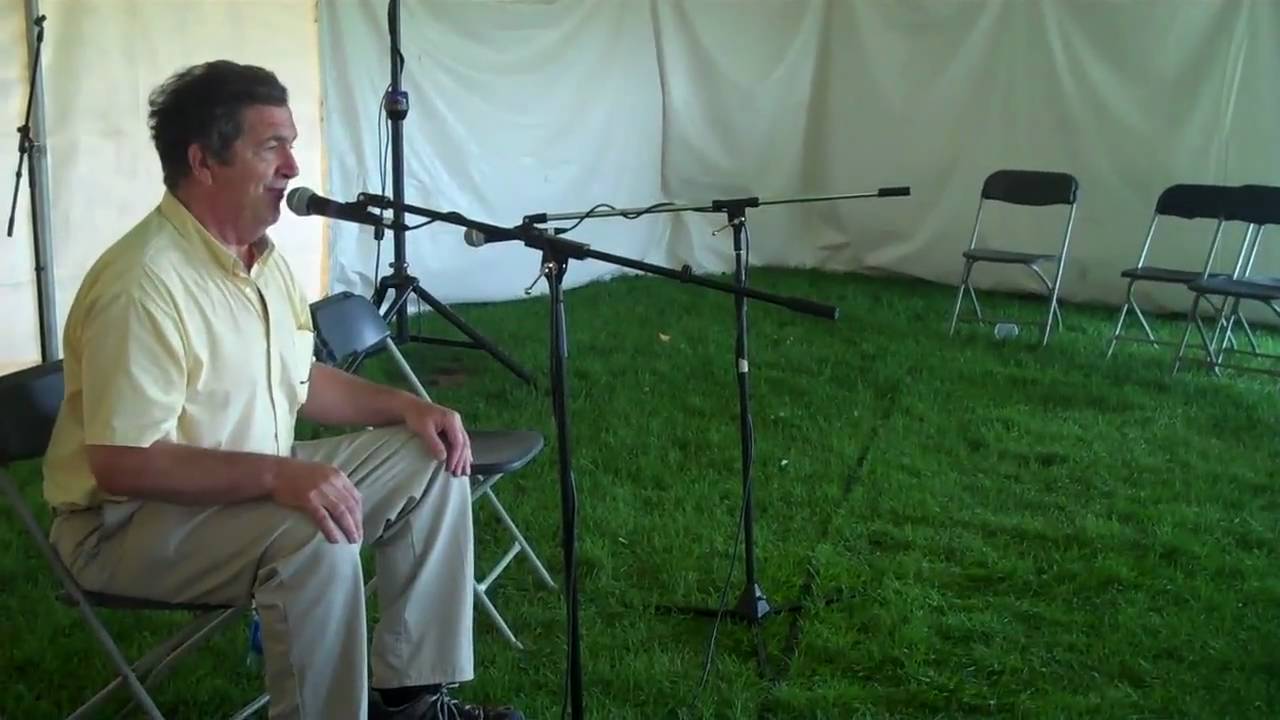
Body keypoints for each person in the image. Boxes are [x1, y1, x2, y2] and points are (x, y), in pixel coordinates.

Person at [41, 60, 522, 720]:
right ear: (204, 162)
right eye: (272, 146)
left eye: (292, 143)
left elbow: (299, 382)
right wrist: (277, 477)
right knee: (313, 532)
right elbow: (123, 462)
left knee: (430, 459)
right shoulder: (142, 286)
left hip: (245, 485)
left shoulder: (261, 260)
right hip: (125, 525)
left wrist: (408, 406)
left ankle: (412, 702)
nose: (294, 166)